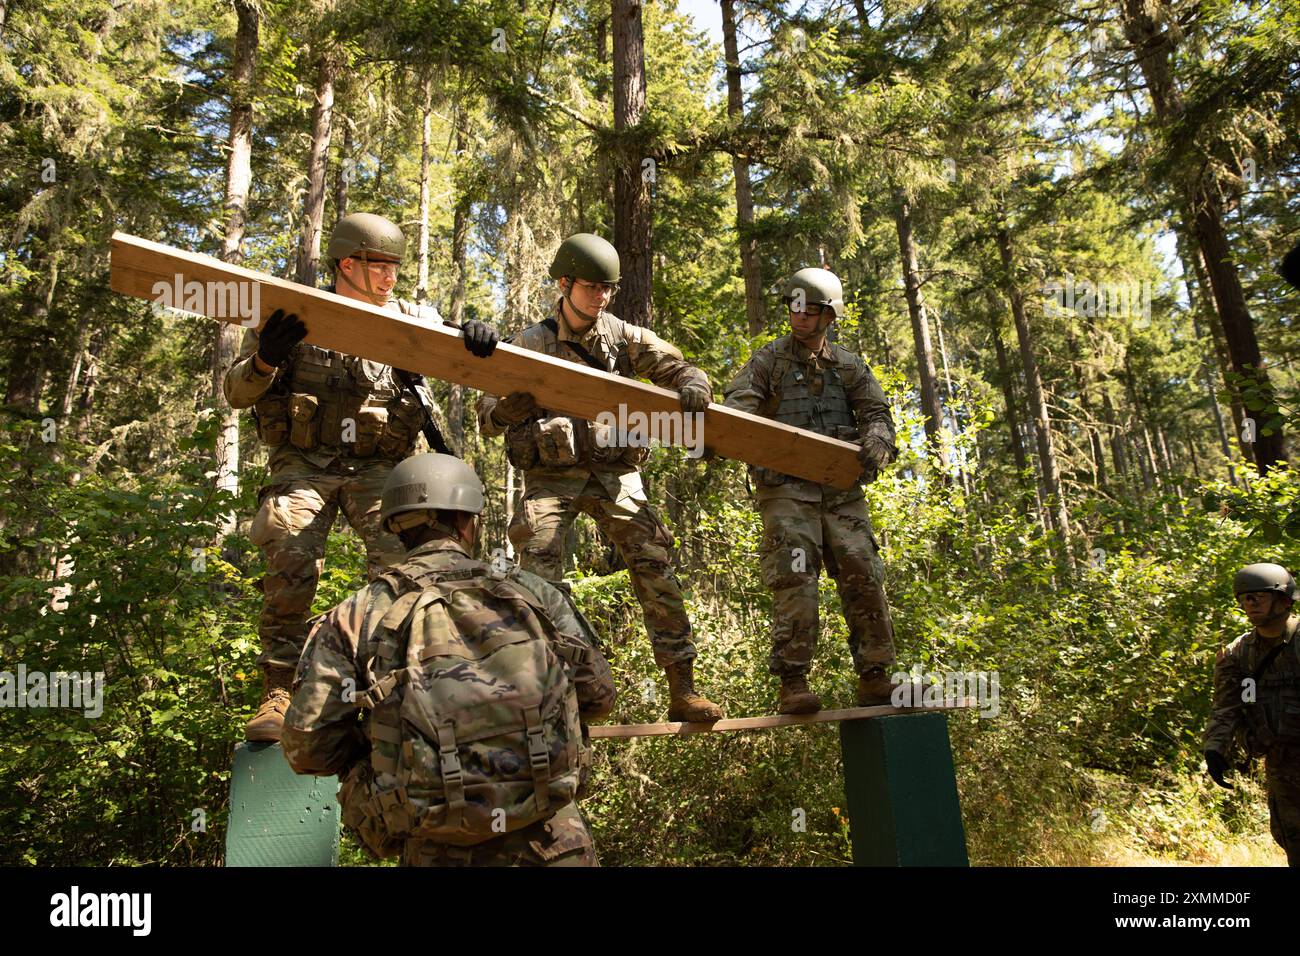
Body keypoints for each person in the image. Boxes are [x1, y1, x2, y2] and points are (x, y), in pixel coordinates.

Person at [224, 212, 499, 741]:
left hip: (379, 468)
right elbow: (236, 394)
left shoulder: (413, 318)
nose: (389, 277)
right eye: (378, 266)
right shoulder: (296, 313)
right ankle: (277, 692)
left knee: (414, 560)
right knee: (290, 552)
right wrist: (266, 358)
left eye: (395, 266)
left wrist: (473, 338)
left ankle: (403, 683)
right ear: (346, 264)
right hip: (305, 463)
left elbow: (470, 359)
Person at [280, 453, 616, 866]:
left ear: (394, 528)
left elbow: (308, 749)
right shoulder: (534, 592)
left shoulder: (357, 614)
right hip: (555, 842)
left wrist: (391, 744)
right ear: (468, 521)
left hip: (435, 849)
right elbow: (599, 698)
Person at [476, 232, 723, 722]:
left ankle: (683, 688)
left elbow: (679, 368)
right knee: (535, 572)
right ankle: (543, 691)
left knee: (655, 565)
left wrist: (694, 383)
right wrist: (505, 411)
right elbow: (484, 416)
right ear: (564, 283)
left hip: (616, 474)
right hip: (551, 477)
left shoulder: (624, 337)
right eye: (592, 286)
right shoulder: (529, 342)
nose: (602, 297)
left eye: (609, 288)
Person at [722, 267, 901, 714]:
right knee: (795, 575)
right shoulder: (768, 363)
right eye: (793, 307)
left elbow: (877, 412)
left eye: (809, 309)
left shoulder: (849, 365)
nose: (798, 316)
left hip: (842, 492)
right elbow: (735, 414)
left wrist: (877, 439)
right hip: (787, 493)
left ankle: (877, 676)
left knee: (863, 571)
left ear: (829, 315)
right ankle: (793, 681)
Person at [1204, 562, 1300, 866]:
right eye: (1245, 598)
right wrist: (1215, 748)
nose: (1250, 604)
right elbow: (1226, 706)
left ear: (1284, 600)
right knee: (1293, 840)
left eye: (1259, 596)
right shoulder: (1238, 653)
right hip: (1281, 767)